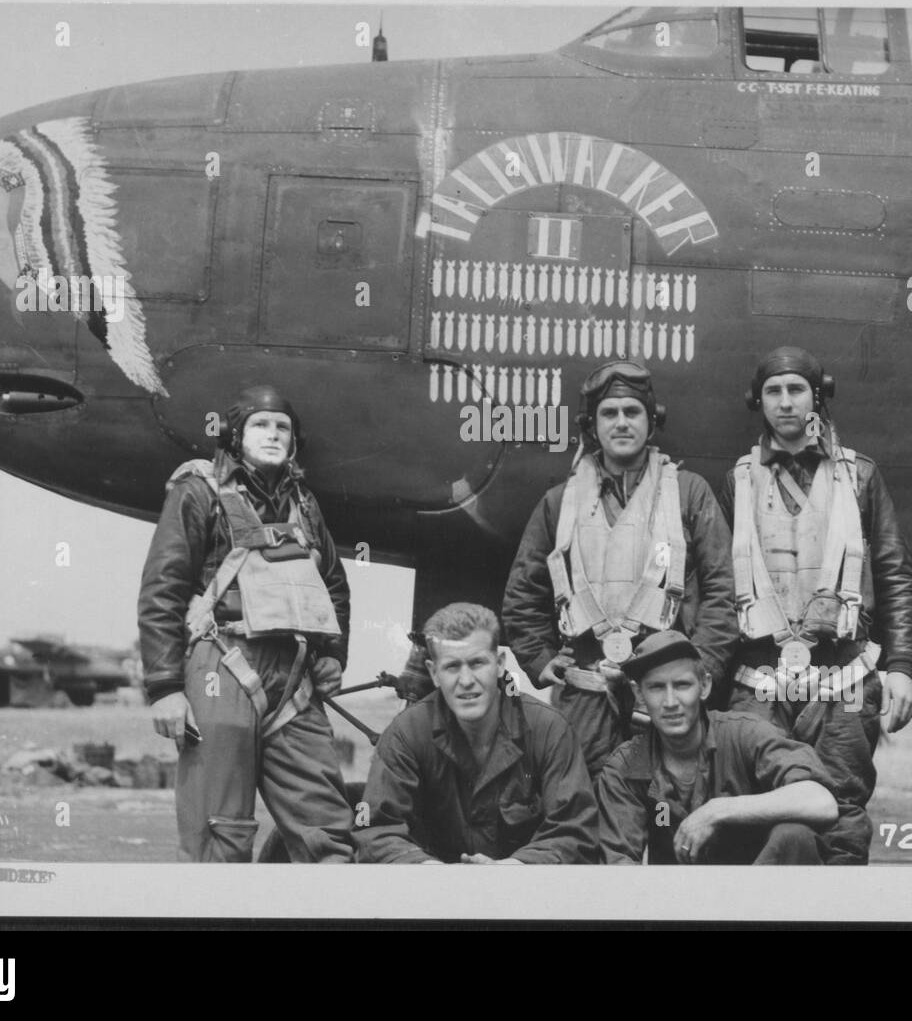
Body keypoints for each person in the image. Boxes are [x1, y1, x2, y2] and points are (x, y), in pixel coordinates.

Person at [717, 347, 912, 864]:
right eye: (773, 392)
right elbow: (719, 586)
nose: (785, 404)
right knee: (756, 806)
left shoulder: (861, 477)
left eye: (796, 390)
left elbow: (895, 572)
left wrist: (901, 667)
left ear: (817, 396)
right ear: (757, 402)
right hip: (758, 679)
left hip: (846, 678)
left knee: (842, 806)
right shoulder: (737, 481)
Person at [138, 384, 354, 863]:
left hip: (294, 676)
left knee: (329, 832)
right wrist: (165, 687)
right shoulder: (198, 493)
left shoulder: (305, 505)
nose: (273, 434)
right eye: (261, 425)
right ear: (236, 436)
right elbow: (162, 591)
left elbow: (334, 584)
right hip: (221, 664)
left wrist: (333, 656)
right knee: (220, 833)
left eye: (283, 427)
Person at [502, 360, 737, 778]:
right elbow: (523, 594)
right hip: (585, 694)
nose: (622, 423)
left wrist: (701, 670)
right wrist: (540, 659)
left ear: (652, 420)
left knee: (672, 810)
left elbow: (723, 590)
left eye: (633, 412)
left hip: (666, 695)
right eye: (609, 413)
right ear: (592, 425)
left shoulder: (689, 493)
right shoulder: (559, 502)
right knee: (582, 815)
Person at [354, 603, 598, 865]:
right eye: (452, 667)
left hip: (524, 891)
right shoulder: (405, 734)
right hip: (431, 891)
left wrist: (516, 868)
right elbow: (375, 830)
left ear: (500, 664)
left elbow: (575, 831)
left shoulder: (549, 731)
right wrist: (426, 869)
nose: (467, 680)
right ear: (434, 673)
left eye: (477, 663)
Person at [595, 630, 838, 864]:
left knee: (794, 835)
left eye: (682, 685)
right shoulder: (626, 765)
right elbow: (619, 864)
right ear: (639, 694)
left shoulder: (744, 733)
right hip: (677, 897)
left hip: (760, 892)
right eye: (656, 687)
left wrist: (718, 811)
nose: (670, 702)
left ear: (704, 686)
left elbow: (821, 802)